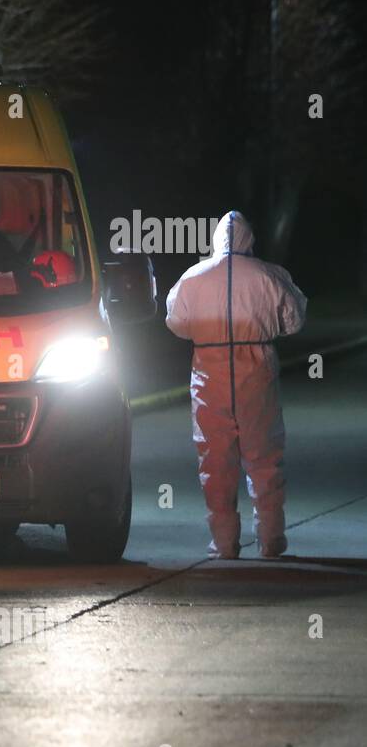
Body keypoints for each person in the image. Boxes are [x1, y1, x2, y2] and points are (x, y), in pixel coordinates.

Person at [164, 211, 307, 559]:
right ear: (249, 239)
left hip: (208, 374)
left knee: (215, 461)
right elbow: (294, 320)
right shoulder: (271, 276)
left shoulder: (192, 279)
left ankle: (225, 542)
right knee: (264, 457)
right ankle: (270, 538)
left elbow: (176, 322)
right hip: (255, 370)